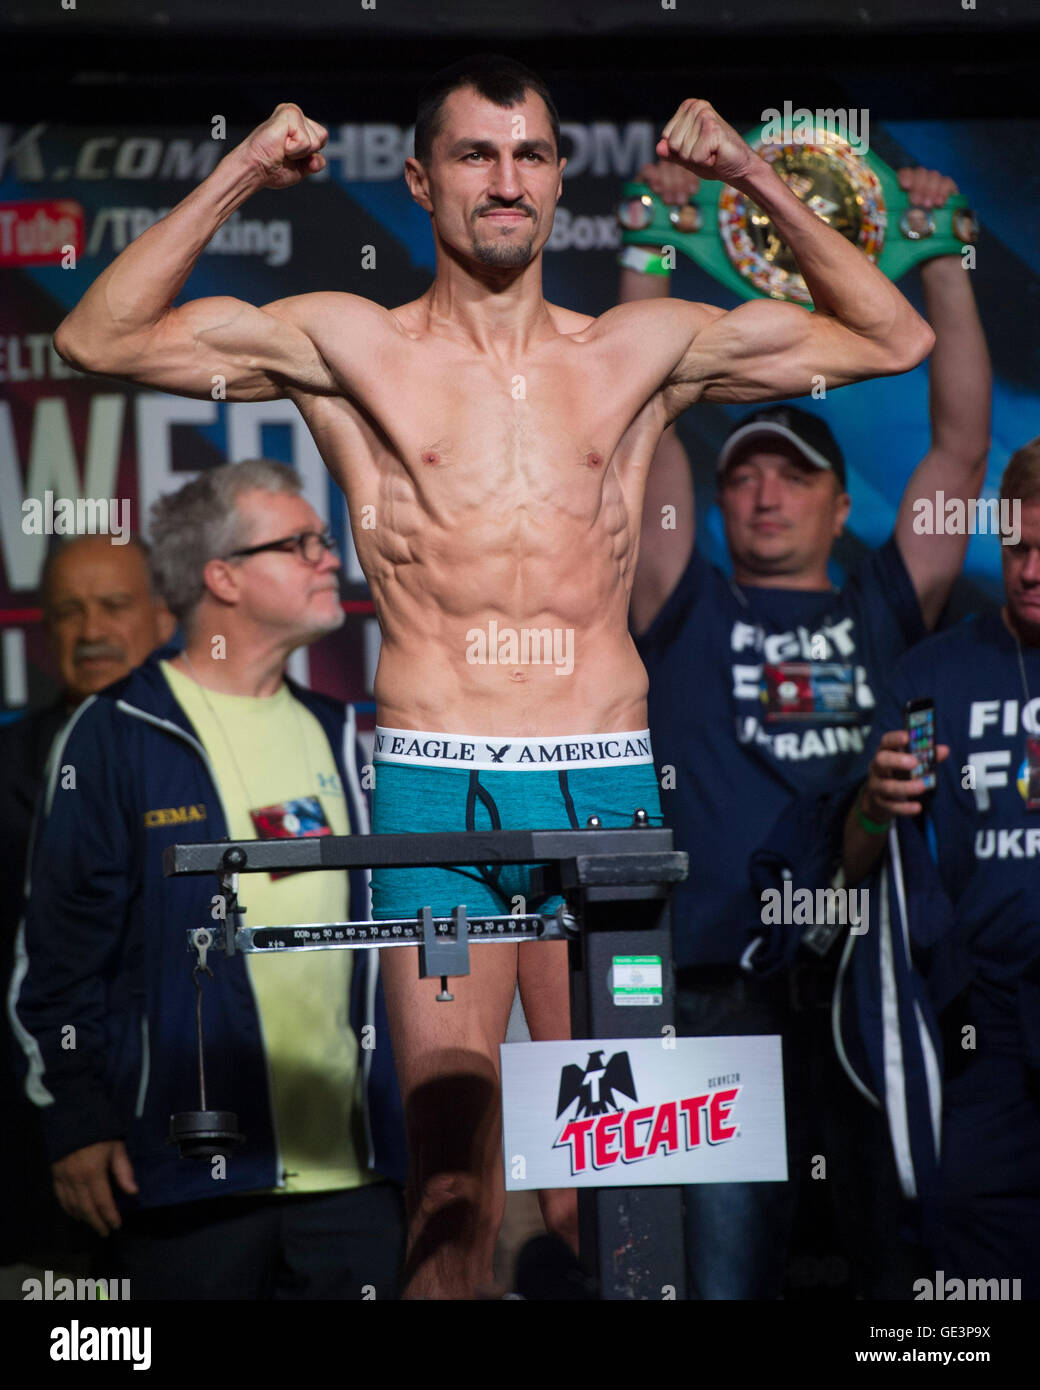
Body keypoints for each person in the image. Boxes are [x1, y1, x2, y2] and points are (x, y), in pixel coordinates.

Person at [48, 54, 934, 1299]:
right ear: (421, 179)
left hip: (602, 787)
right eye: (474, 154)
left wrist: (745, 172)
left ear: (558, 175)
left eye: (528, 154)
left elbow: (893, 334)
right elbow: (97, 333)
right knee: (455, 1189)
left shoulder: (641, 348)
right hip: (438, 786)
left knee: (602, 1191)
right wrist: (247, 162)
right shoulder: (341, 342)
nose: (504, 178)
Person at [626, 159, 990, 1297]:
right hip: (709, 996)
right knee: (724, 1276)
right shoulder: (681, 597)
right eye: (744, 476)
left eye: (795, 475)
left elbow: (961, 442)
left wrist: (940, 256)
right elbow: (633, 412)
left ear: (841, 504)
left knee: (896, 1262)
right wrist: (649, 240)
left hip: (868, 983)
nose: (766, 494)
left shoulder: (882, 604)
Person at [10, 460, 406, 1299]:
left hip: (354, 1184)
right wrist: (75, 1123)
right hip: (190, 1181)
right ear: (221, 577)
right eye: (297, 544)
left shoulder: (349, 735)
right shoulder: (117, 734)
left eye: (324, 540)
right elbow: (56, 958)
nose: (328, 558)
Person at [841, 439, 1040, 1299]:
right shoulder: (930, 681)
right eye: (1020, 547)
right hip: (980, 1023)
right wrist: (874, 805)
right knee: (972, 1248)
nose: (1033, 569)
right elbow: (855, 862)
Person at [0, 533, 174, 1273]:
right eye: (69, 613)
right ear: (43, 636)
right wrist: (69, 1122)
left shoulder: (212, 752)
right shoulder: (5, 770)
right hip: (33, 1163)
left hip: (204, 1164)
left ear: (167, 616)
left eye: (114, 605)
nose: (93, 630)